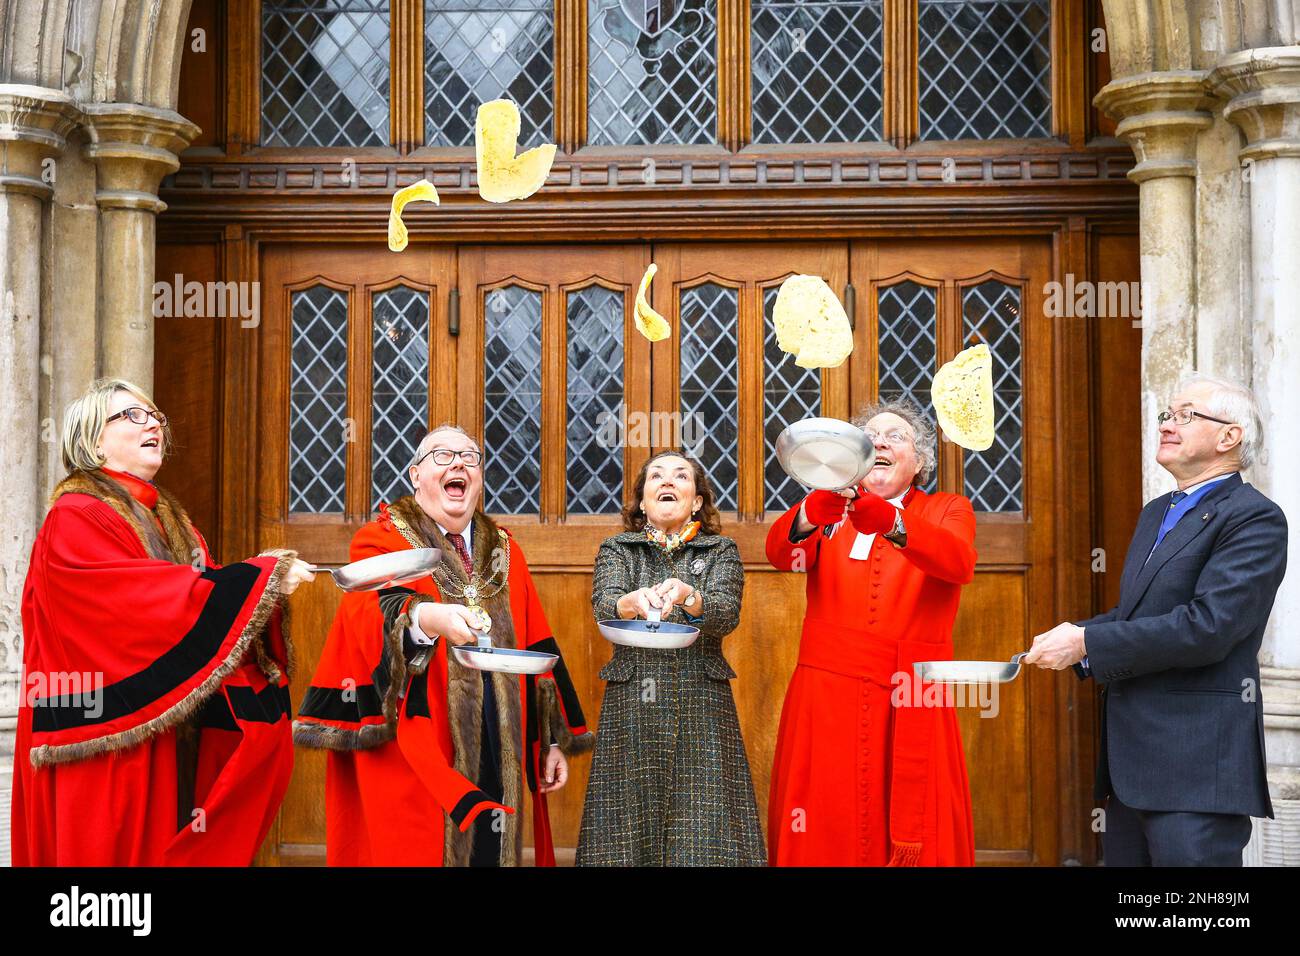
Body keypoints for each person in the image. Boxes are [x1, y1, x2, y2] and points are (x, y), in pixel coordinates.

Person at [11, 378, 312, 866]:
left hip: (166, 733)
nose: (153, 422)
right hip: (103, 744)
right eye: (132, 415)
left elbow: (200, 611)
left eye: (155, 417)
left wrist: (259, 592)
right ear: (91, 441)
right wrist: (258, 578)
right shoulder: (74, 517)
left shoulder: (171, 521)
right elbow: (136, 605)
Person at [294, 423, 593, 866]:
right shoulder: (384, 538)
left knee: (491, 847)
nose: (458, 463)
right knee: (416, 851)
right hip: (417, 740)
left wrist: (549, 740)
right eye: (442, 455)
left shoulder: (504, 549)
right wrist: (425, 619)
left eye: (469, 458)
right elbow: (366, 616)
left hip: (500, 732)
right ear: (416, 475)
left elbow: (536, 640)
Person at [1025, 375, 1287, 866]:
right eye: (1166, 414)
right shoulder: (1157, 512)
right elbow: (1139, 616)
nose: (1167, 425)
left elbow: (1207, 628)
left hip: (1196, 768)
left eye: (1186, 415)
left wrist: (1088, 644)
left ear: (1229, 437)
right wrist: (1075, 638)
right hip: (1132, 768)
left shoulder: (1254, 518)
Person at [765, 399, 977, 866]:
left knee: (918, 819)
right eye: (871, 437)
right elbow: (781, 553)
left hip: (910, 694)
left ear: (919, 462)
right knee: (824, 816)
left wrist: (893, 522)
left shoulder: (947, 508)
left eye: (896, 436)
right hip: (827, 696)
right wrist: (808, 511)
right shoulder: (830, 509)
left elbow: (958, 562)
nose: (880, 441)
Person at [576, 451, 765, 866]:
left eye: (681, 476)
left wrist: (690, 597)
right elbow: (604, 606)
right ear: (642, 501)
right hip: (632, 699)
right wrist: (629, 601)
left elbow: (725, 615)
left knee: (704, 824)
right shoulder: (617, 549)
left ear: (696, 500)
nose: (668, 482)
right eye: (656, 477)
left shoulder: (720, 550)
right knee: (624, 822)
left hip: (701, 696)